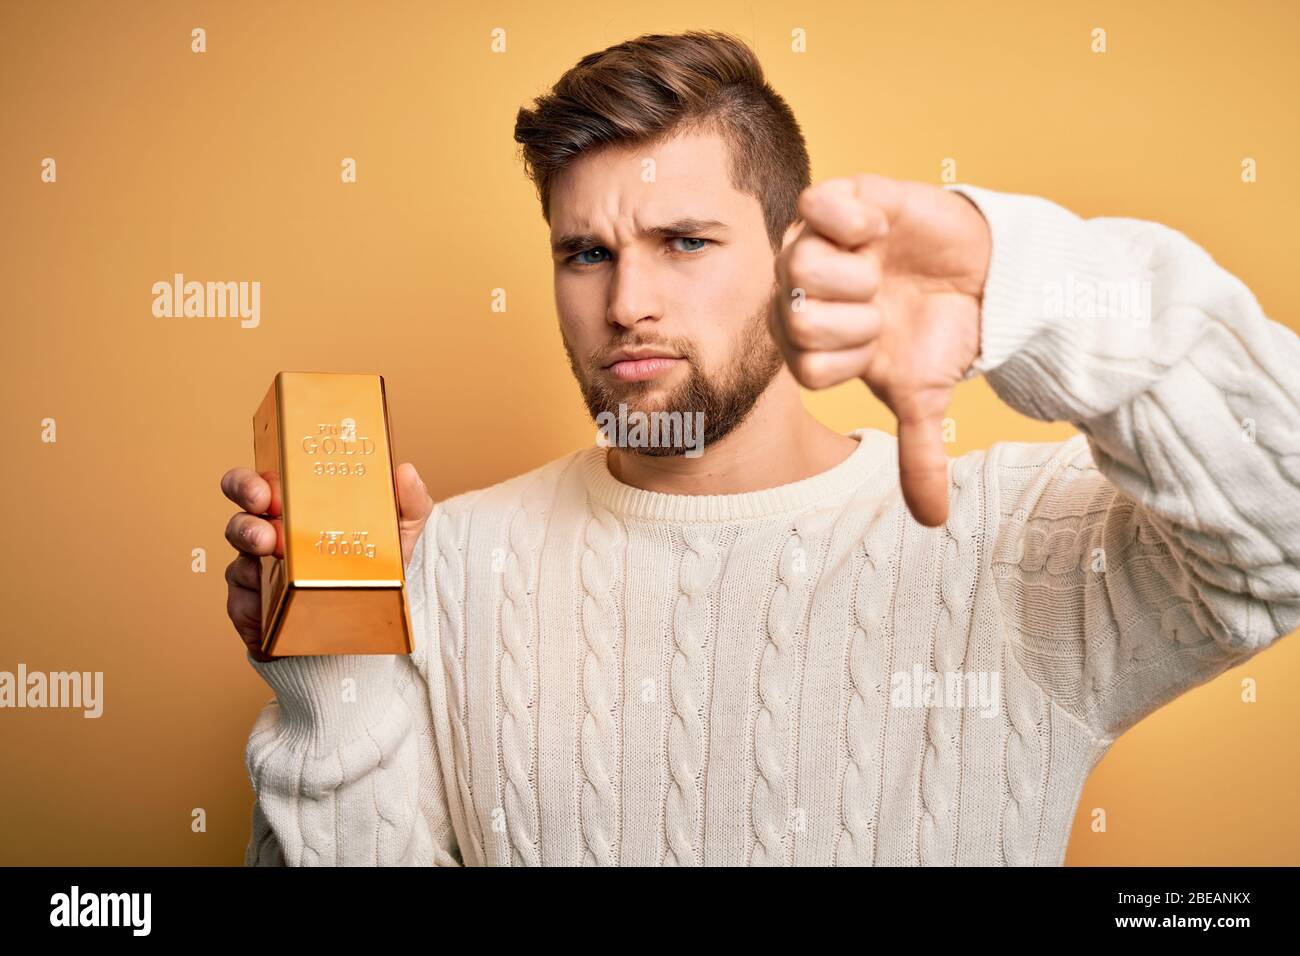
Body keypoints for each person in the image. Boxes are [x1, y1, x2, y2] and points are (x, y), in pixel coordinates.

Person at [221, 30, 1300, 866]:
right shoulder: (454, 559)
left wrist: (1014, 280)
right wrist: (336, 676)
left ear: (792, 256)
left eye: (683, 242)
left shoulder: (1015, 546)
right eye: (585, 253)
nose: (627, 302)